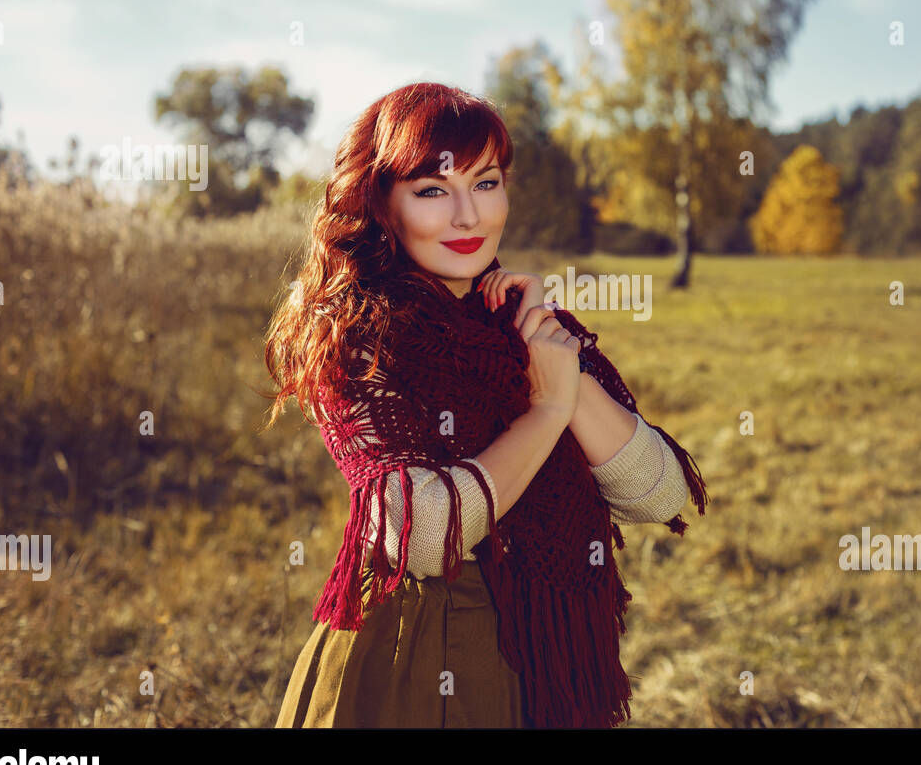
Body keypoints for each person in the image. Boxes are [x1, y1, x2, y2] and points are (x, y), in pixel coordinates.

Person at [262, 82, 708, 728]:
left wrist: (551, 353)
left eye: (487, 182)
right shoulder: (356, 333)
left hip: (542, 654)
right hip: (421, 656)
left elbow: (659, 496)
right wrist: (547, 411)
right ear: (381, 202)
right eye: (433, 191)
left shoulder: (521, 323)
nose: (469, 216)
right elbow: (420, 536)